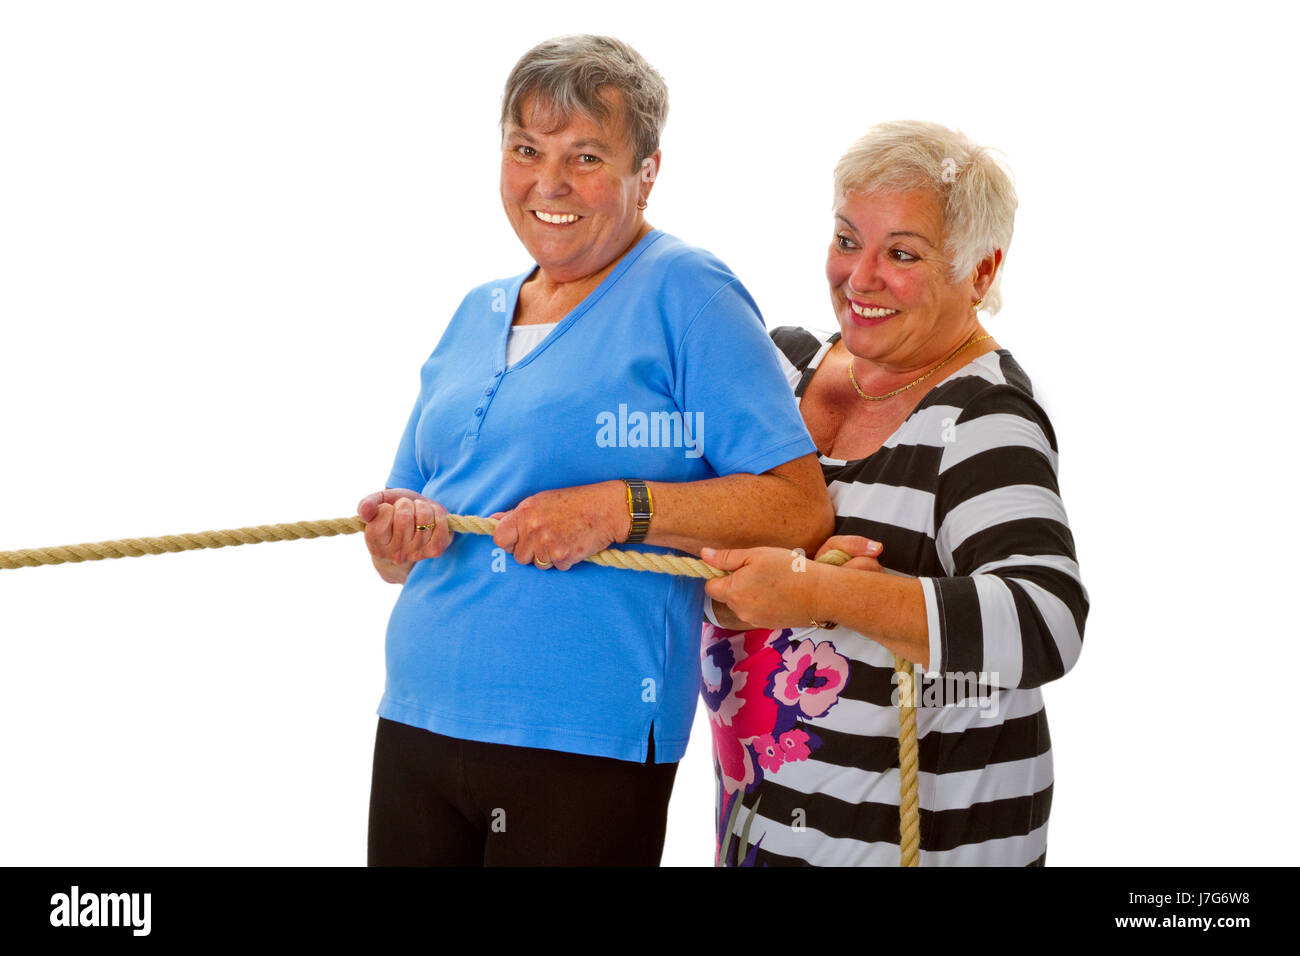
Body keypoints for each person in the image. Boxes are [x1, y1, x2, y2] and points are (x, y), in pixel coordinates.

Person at [356, 35, 833, 866]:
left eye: (585, 156)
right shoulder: (475, 310)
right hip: (418, 715)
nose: (548, 183)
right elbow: (408, 524)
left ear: (646, 171)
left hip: (586, 734)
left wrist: (622, 507)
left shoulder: (688, 291)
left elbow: (796, 506)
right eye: (526, 150)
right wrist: (402, 532)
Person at [700, 120, 1088, 866]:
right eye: (847, 241)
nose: (860, 277)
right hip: (759, 837)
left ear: (980, 271)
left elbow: (1047, 621)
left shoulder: (981, 418)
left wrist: (827, 594)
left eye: (901, 254)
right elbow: (689, 529)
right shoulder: (781, 368)